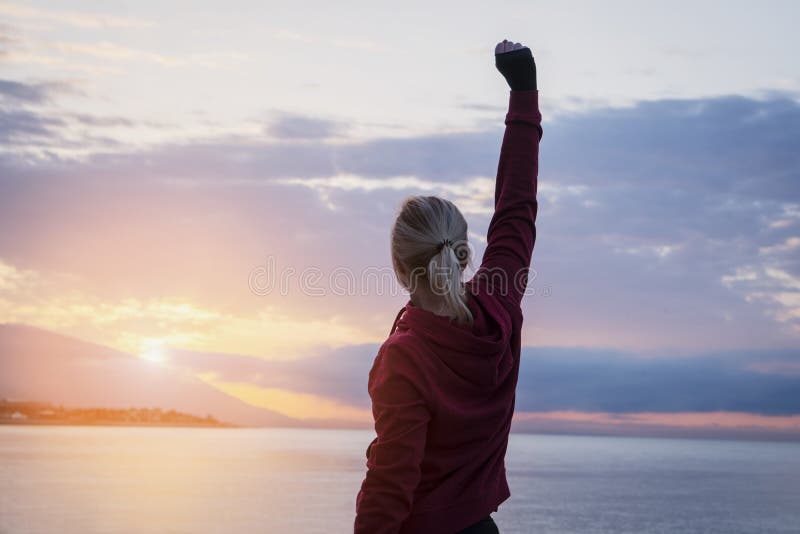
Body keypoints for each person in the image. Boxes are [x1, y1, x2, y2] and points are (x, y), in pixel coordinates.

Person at [354, 38, 542, 534]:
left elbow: (390, 485)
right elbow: (516, 207)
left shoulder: (406, 357)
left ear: (400, 267)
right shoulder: (499, 306)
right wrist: (524, 93)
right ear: (462, 251)